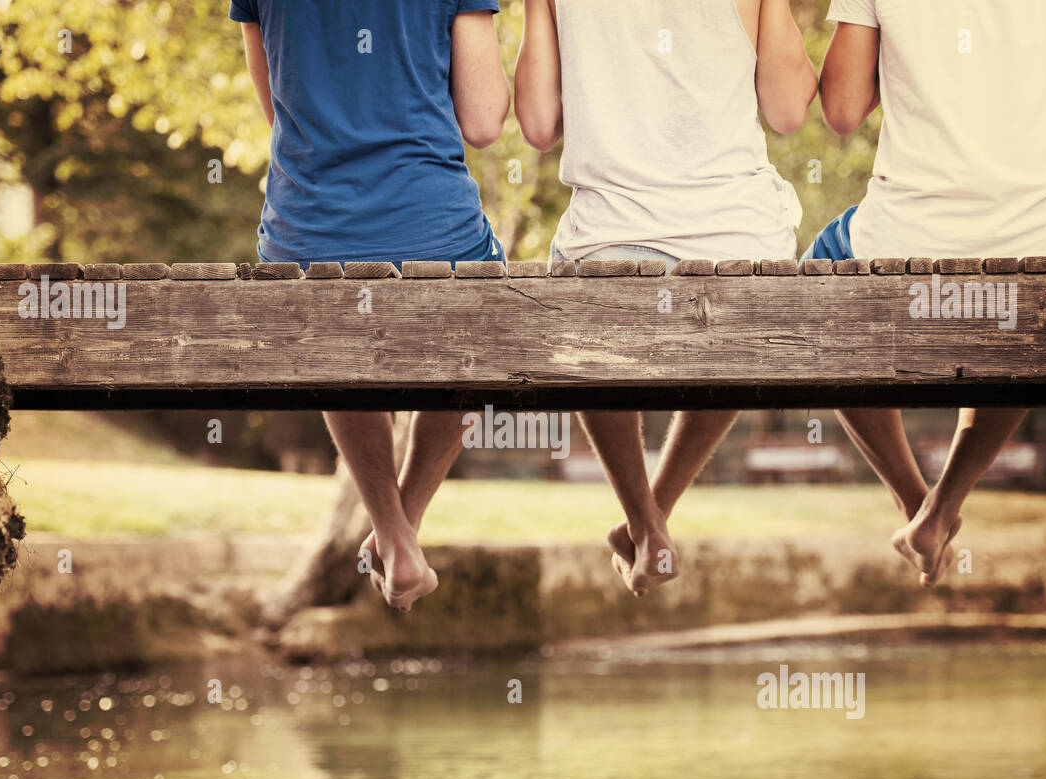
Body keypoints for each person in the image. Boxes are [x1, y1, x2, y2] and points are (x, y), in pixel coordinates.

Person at [806, 0, 1046, 586]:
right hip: (1041, 240)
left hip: (906, 241)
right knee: (1019, 325)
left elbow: (843, 110)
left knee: (814, 289)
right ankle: (941, 508)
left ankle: (912, 498)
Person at [515, 0, 817, 594]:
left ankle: (644, 518)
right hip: (741, 237)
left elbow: (538, 123)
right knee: (740, 317)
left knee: (593, 309)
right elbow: (787, 111)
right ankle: (652, 514)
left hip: (610, 235)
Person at [232, 0, 510, 610]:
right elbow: (486, 121)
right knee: (484, 311)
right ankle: (401, 526)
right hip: (432, 226)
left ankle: (394, 532)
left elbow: (276, 106)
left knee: (334, 332)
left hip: (305, 233)